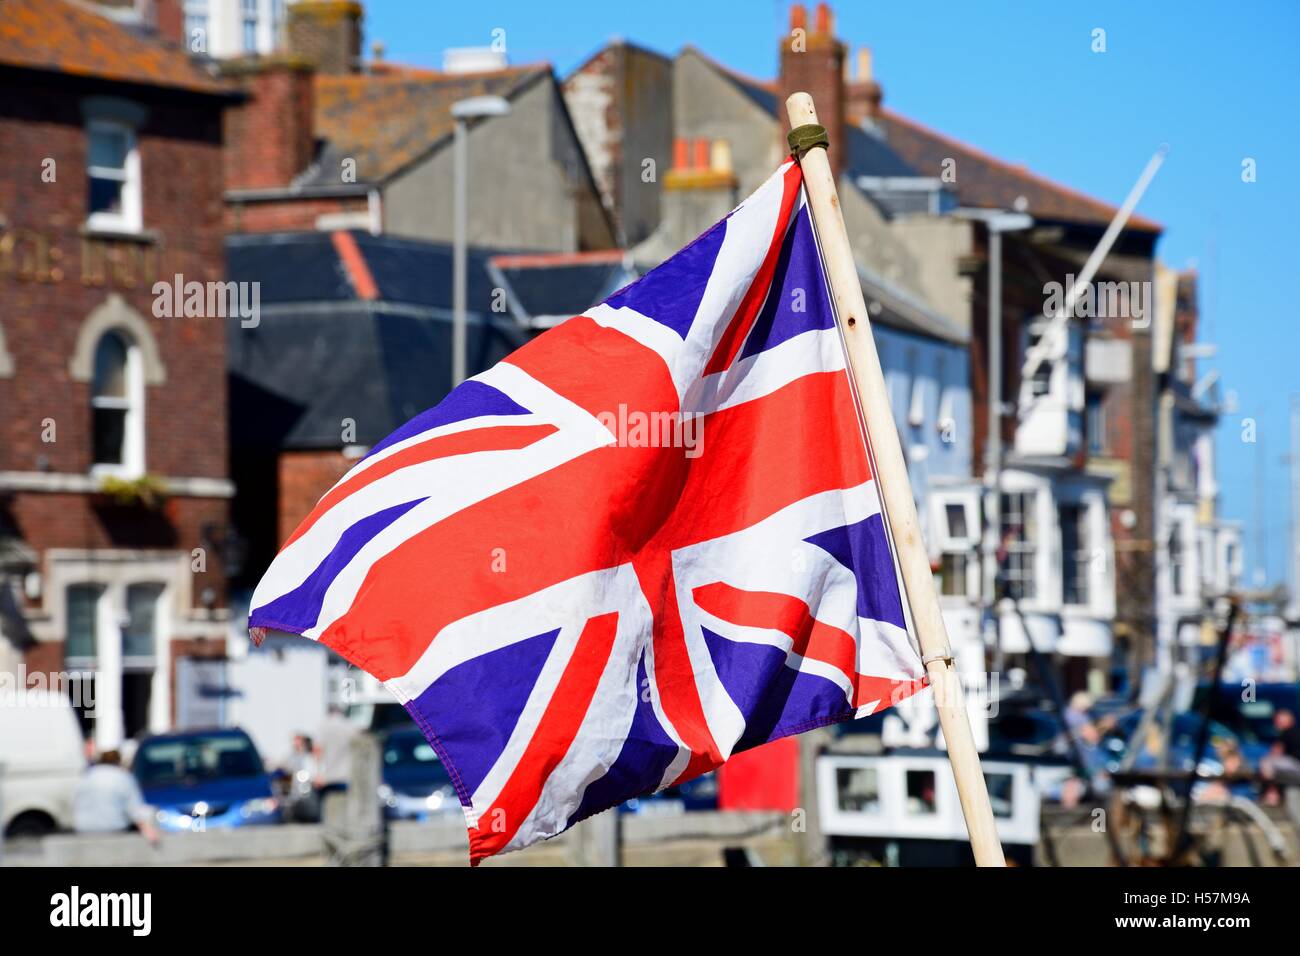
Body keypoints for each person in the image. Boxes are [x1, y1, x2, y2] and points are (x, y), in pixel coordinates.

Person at [72, 749, 160, 844]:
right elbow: (136, 811)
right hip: (114, 831)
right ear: (119, 760)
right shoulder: (123, 777)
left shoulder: (86, 776)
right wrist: (148, 829)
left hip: (83, 832)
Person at [314, 705, 356, 795]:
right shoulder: (350, 726)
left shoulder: (323, 726)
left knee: (325, 807)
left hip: (327, 778)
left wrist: (318, 773)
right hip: (345, 776)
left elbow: (318, 750)